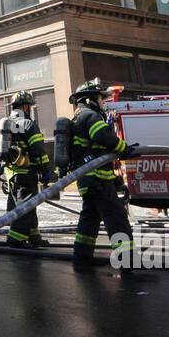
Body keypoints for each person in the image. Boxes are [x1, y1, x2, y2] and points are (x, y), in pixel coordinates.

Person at [63, 82, 136, 272]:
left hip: (88, 179)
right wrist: (125, 149)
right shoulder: (91, 115)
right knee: (116, 217)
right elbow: (102, 136)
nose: (103, 102)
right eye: (101, 98)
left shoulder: (78, 117)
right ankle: (128, 261)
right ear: (91, 99)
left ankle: (82, 257)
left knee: (90, 218)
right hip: (98, 178)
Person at [0, 91, 52, 249]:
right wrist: (46, 173)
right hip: (27, 174)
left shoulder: (7, 124)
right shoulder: (28, 124)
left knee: (28, 206)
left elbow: (0, 152)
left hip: (12, 174)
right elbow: (39, 151)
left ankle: (34, 237)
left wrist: (0, 173)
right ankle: (16, 239)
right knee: (25, 209)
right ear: (26, 106)